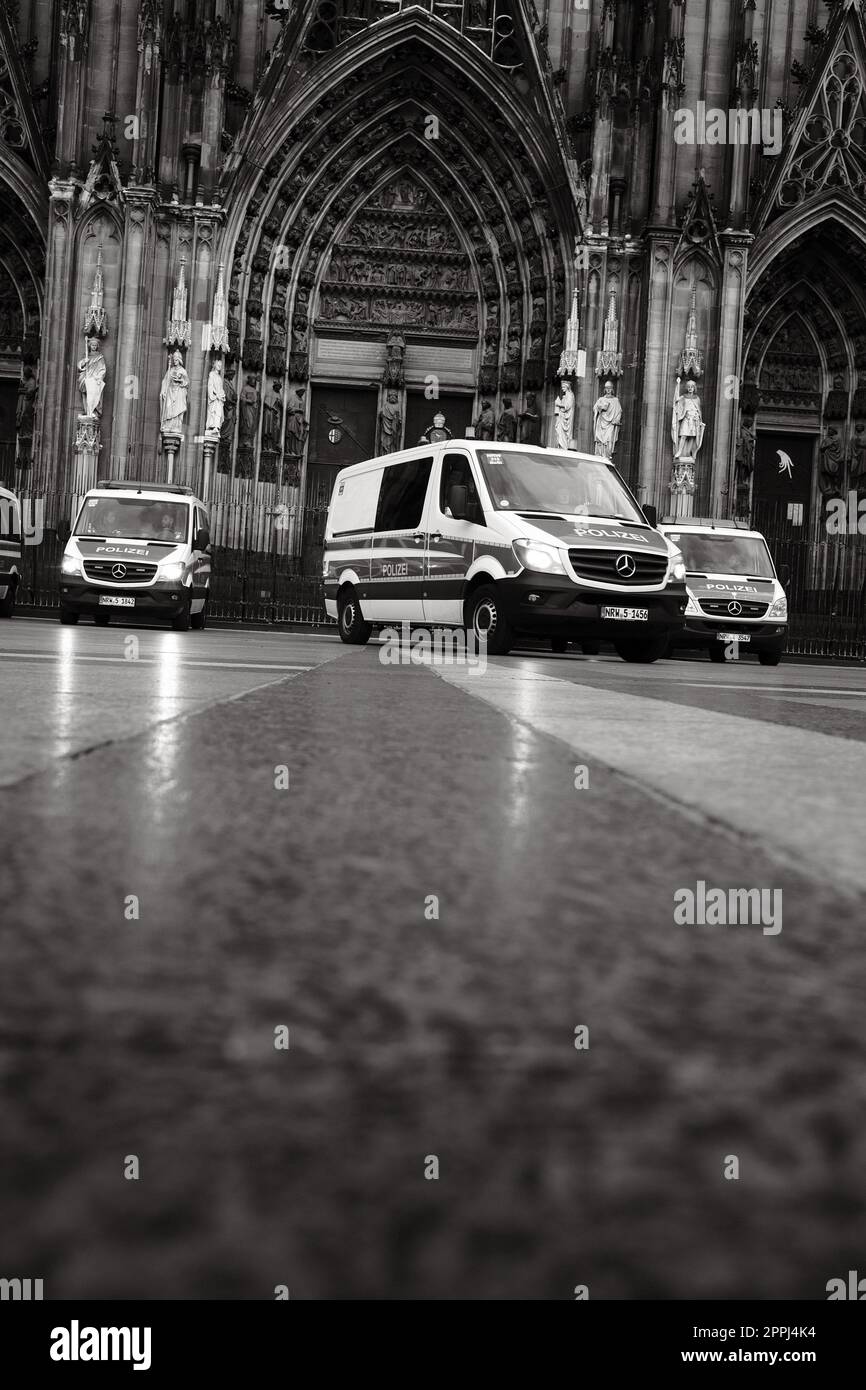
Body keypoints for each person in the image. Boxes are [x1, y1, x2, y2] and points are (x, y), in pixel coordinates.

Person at [592, 380, 623, 459]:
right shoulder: (601, 399)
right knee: (599, 442)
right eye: (607, 388)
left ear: (612, 389)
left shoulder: (615, 400)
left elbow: (619, 411)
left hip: (610, 425)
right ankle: (599, 456)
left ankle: (607, 456)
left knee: (608, 441)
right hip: (601, 423)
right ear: (604, 389)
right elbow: (595, 408)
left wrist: (617, 419)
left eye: (610, 388)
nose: (608, 390)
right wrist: (600, 408)